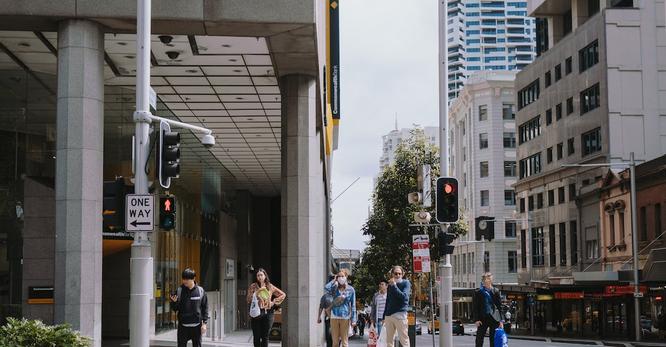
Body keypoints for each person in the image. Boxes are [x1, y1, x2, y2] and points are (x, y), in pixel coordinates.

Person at [246, 268, 286, 347]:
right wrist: (255, 295)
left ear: (265, 276)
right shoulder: (253, 286)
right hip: (256, 313)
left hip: (268, 313)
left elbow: (283, 294)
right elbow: (248, 300)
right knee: (256, 336)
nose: (260, 277)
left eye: (261, 275)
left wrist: (274, 301)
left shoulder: (270, 286)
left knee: (265, 336)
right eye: (258, 275)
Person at [170, 268, 209, 347]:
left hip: (197, 327)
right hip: (183, 327)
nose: (185, 281)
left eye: (187, 279)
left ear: (193, 278)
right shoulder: (179, 291)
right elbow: (175, 309)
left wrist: (204, 323)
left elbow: (205, 308)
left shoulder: (200, 291)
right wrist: (174, 302)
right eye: (183, 279)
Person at [325, 269, 357, 347]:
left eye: (342, 276)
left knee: (345, 342)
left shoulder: (351, 289)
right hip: (334, 316)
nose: (340, 278)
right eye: (339, 276)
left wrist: (354, 320)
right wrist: (334, 280)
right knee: (335, 342)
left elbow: (353, 305)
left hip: (345, 317)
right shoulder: (334, 288)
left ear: (346, 277)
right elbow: (326, 288)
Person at [472, 272, 504, 347]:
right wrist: (476, 319)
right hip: (482, 319)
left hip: (494, 318)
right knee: (479, 339)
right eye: (486, 279)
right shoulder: (478, 292)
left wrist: (501, 320)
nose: (487, 281)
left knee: (493, 340)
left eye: (489, 279)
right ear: (483, 281)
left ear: (491, 280)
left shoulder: (496, 291)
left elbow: (500, 306)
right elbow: (475, 307)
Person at [383, 265, 411, 347]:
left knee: (404, 340)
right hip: (389, 316)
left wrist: (394, 286)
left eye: (399, 273)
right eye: (395, 273)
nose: (397, 275)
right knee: (389, 341)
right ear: (392, 274)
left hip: (400, 315)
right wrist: (384, 315)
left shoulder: (406, 283)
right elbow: (388, 300)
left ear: (403, 274)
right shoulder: (390, 285)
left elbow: (404, 297)